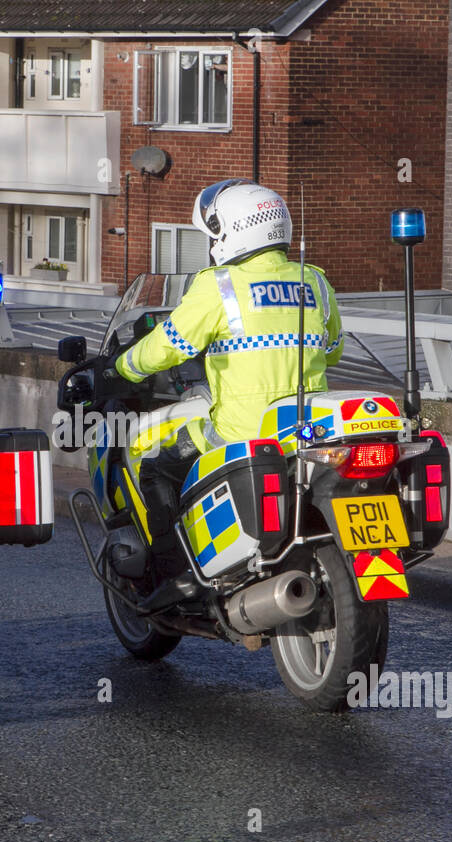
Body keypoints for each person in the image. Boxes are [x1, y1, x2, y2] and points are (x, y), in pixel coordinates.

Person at [112, 179, 344, 607]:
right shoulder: (314, 282)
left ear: (229, 233)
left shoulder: (219, 286)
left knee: (157, 468)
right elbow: (331, 351)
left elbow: (168, 345)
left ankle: (173, 577)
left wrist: (122, 365)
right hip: (306, 431)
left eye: (210, 235)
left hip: (239, 431)